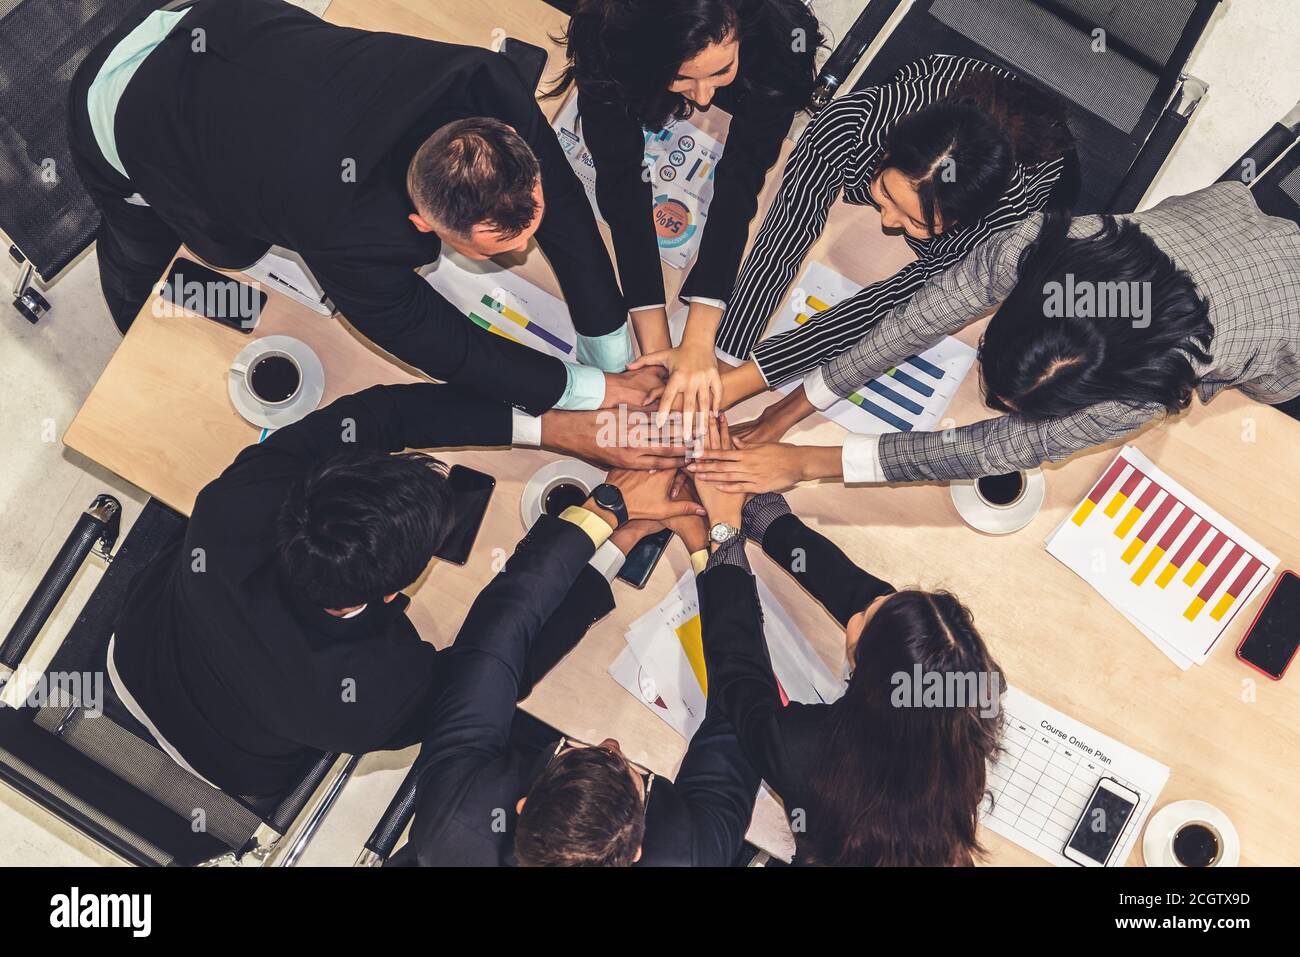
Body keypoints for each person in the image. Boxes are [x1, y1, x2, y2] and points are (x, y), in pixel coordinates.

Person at [68, 0, 654, 415]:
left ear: (507, 134)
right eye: (500, 246)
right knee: (188, 249)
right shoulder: (342, 229)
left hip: (219, 25)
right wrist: (591, 392)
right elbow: (446, 347)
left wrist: (613, 348)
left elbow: (571, 217)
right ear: (422, 223)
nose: (527, 247)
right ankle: (128, 318)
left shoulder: (487, 84)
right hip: (124, 112)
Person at [108, 383, 686, 797]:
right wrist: (618, 533)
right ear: (395, 592)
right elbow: (501, 663)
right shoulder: (379, 697)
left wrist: (551, 428)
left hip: (136, 649)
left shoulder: (235, 503)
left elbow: (376, 413)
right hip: (229, 770)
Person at [689, 180, 1300, 490]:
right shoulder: (1040, 244)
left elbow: (995, 450)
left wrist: (807, 463)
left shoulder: (1142, 389)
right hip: (1228, 225)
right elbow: (921, 315)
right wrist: (791, 408)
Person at [637, 53, 1075, 433]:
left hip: (1046, 153)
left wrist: (751, 378)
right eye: (886, 196)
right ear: (884, 154)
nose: (888, 223)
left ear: (962, 220)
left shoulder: (999, 221)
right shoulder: (852, 123)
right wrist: (727, 352)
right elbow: (787, 232)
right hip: (949, 84)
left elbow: (887, 304)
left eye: (917, 222)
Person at [399, 470, 762, 867]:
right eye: (634, 774)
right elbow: (743, 707)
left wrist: (607, 511)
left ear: (523, 805)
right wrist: (710, 546)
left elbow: (499, 629)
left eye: (570, 751)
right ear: (638, 852)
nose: (612, 744)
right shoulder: (690, 854)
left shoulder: (457, 814)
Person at [690, 419, 1006, 865]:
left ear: (862, 676)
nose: (857, 613)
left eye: (862, 623)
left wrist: (724, 534)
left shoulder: (806, 753)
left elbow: (739, 675)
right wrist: (774, 524)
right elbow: (876, 608)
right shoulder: (967, 701)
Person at [548, 0, 821, 425]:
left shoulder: (785, 37)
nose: (705, 96)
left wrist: (698, 339)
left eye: (721, 71)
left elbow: (741, 179)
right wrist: (656, 343)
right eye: (681, 77)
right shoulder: (605, 31)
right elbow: (621, 179)